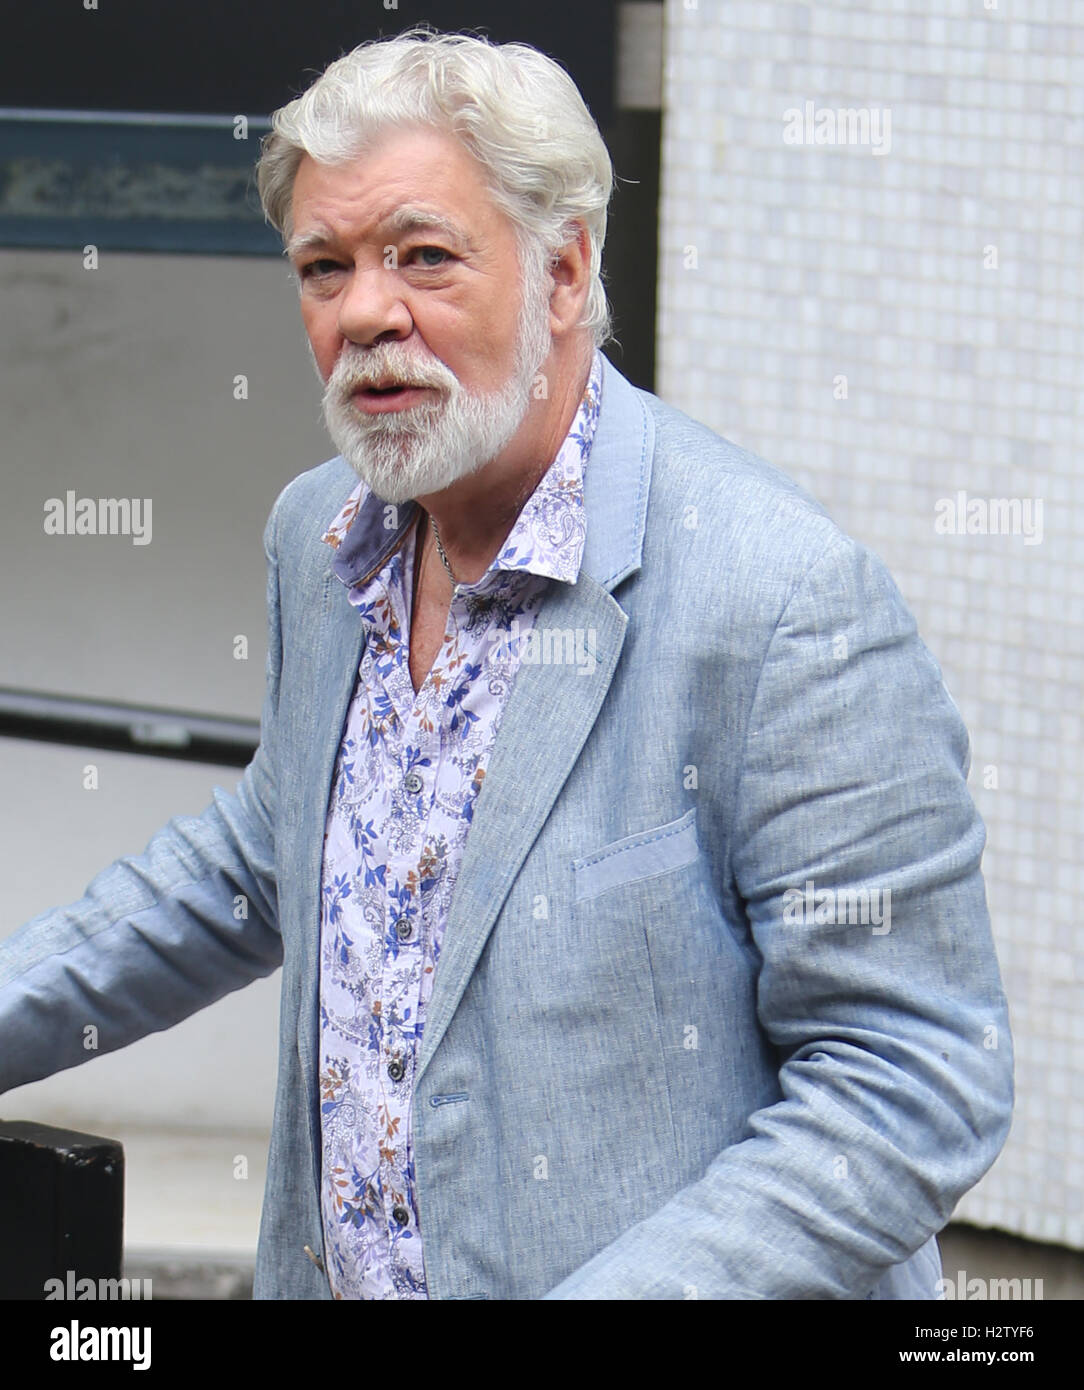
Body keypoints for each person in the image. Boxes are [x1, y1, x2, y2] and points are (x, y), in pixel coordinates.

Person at [0, 27, 1013, 1300]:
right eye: (325, 266)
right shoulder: (320, 539)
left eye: (423, 255)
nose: (366, 309)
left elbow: (910, 1080)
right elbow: (257, 864)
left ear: (563, 267)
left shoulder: (782, 600)